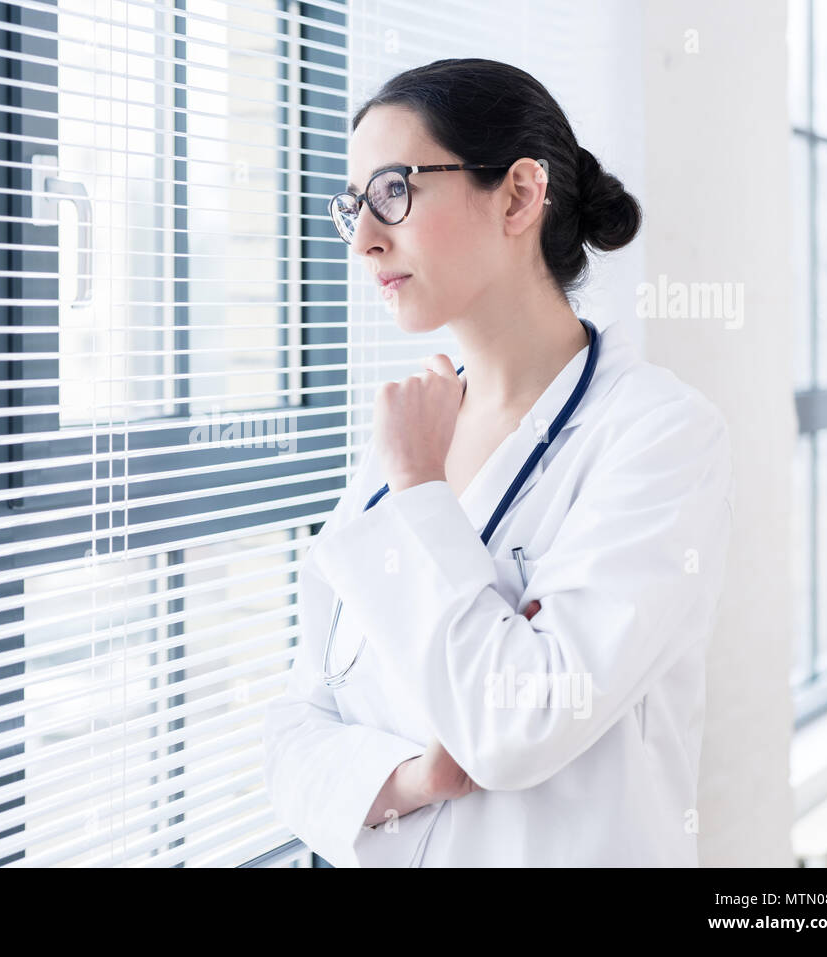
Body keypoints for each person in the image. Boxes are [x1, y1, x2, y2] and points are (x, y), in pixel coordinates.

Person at [262, 58, 734, 867]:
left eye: (393, 193)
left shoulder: (658, 434)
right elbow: (293, 730)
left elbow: (521, 723)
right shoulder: (408, 434)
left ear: (518, 194)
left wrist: (421, 491)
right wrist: (410, 778)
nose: (366, 238)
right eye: (354, 208)